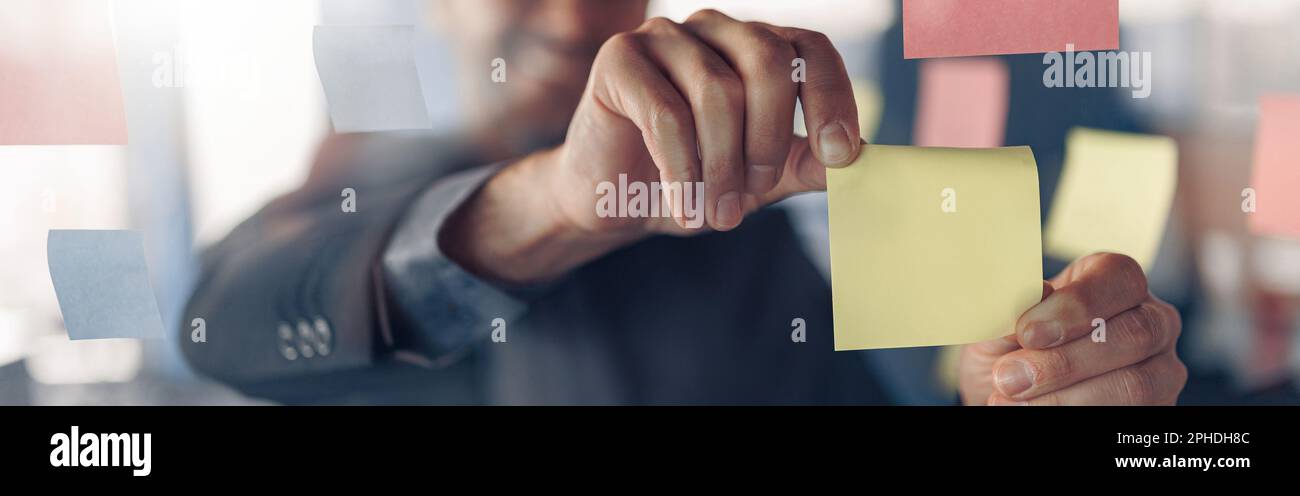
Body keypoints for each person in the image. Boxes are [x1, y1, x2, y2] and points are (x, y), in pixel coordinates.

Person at [180, 0, 1186, 405]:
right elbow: (222, 319)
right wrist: (561, 207)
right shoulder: (364, 186)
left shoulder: (731, 243)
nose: (572, 15)